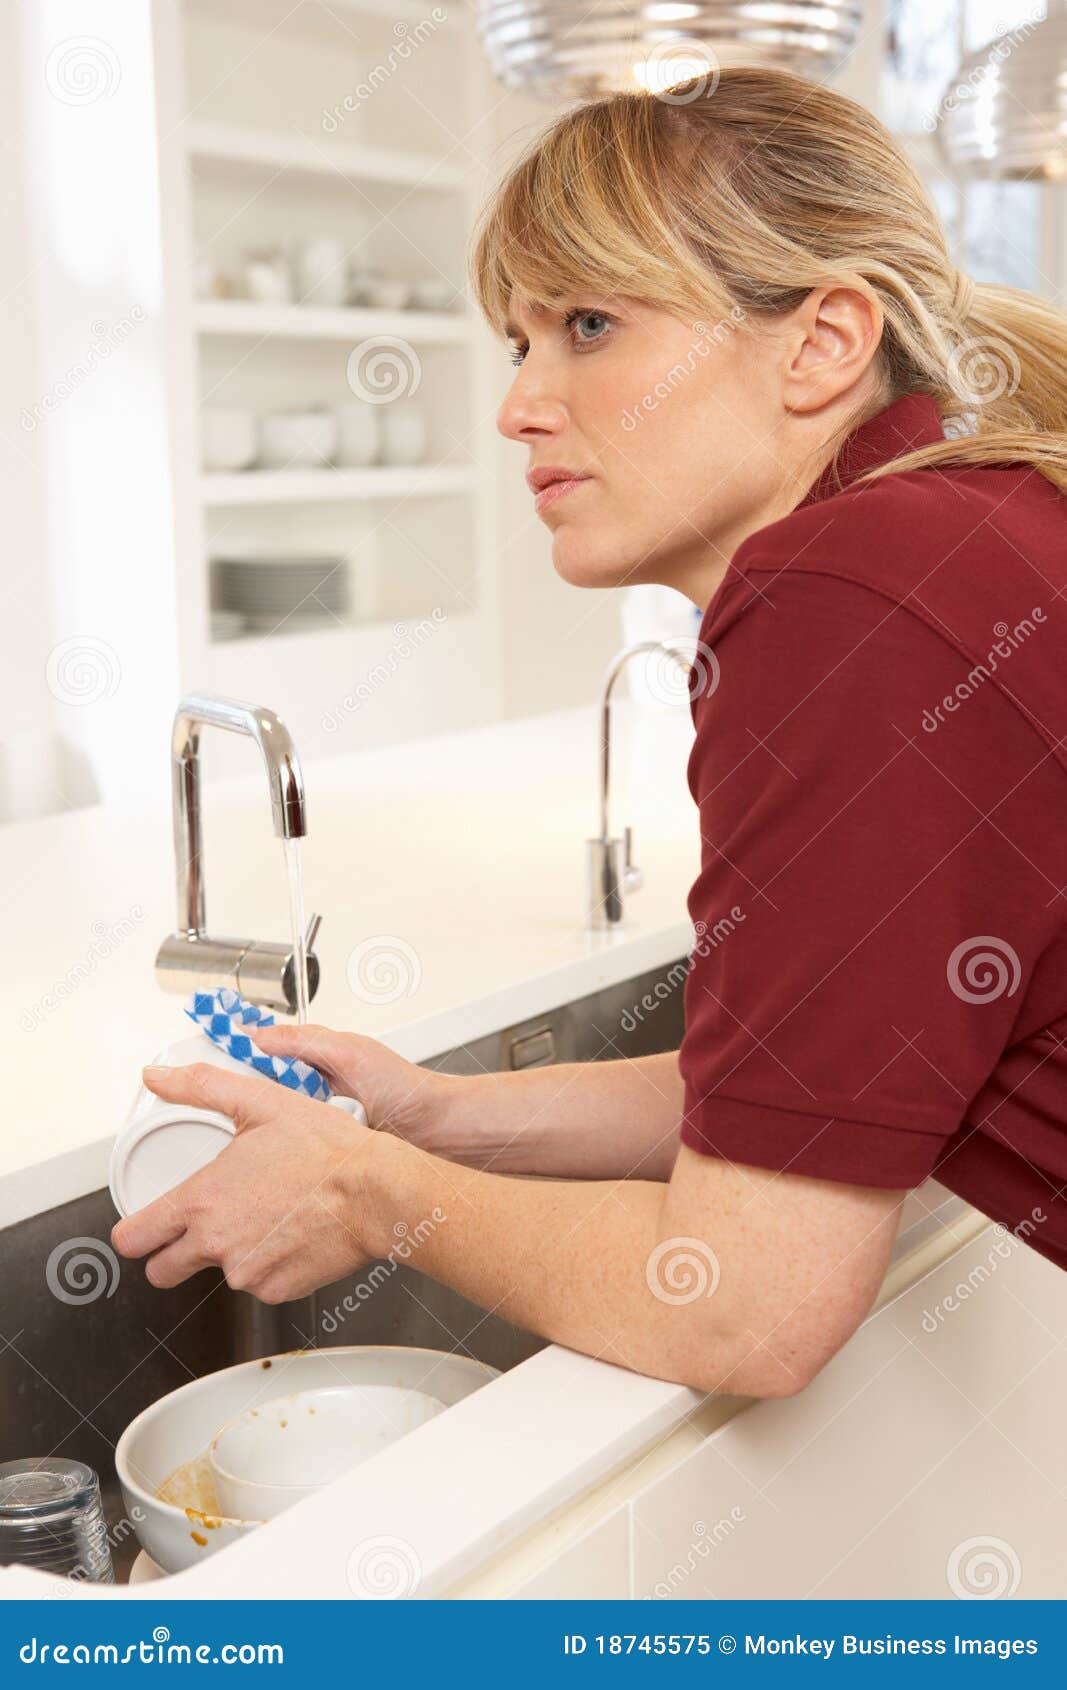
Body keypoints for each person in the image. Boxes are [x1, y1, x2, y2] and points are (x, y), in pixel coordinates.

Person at [113, 68, 1067, 1398]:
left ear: (823, 343)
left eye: (590, 324)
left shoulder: (845, 602)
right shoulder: (966, 523)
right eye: (520, 341)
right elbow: (805, 1091)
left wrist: (372, 1191)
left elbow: (745, 1306)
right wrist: (436, 1114)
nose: (518, 404)